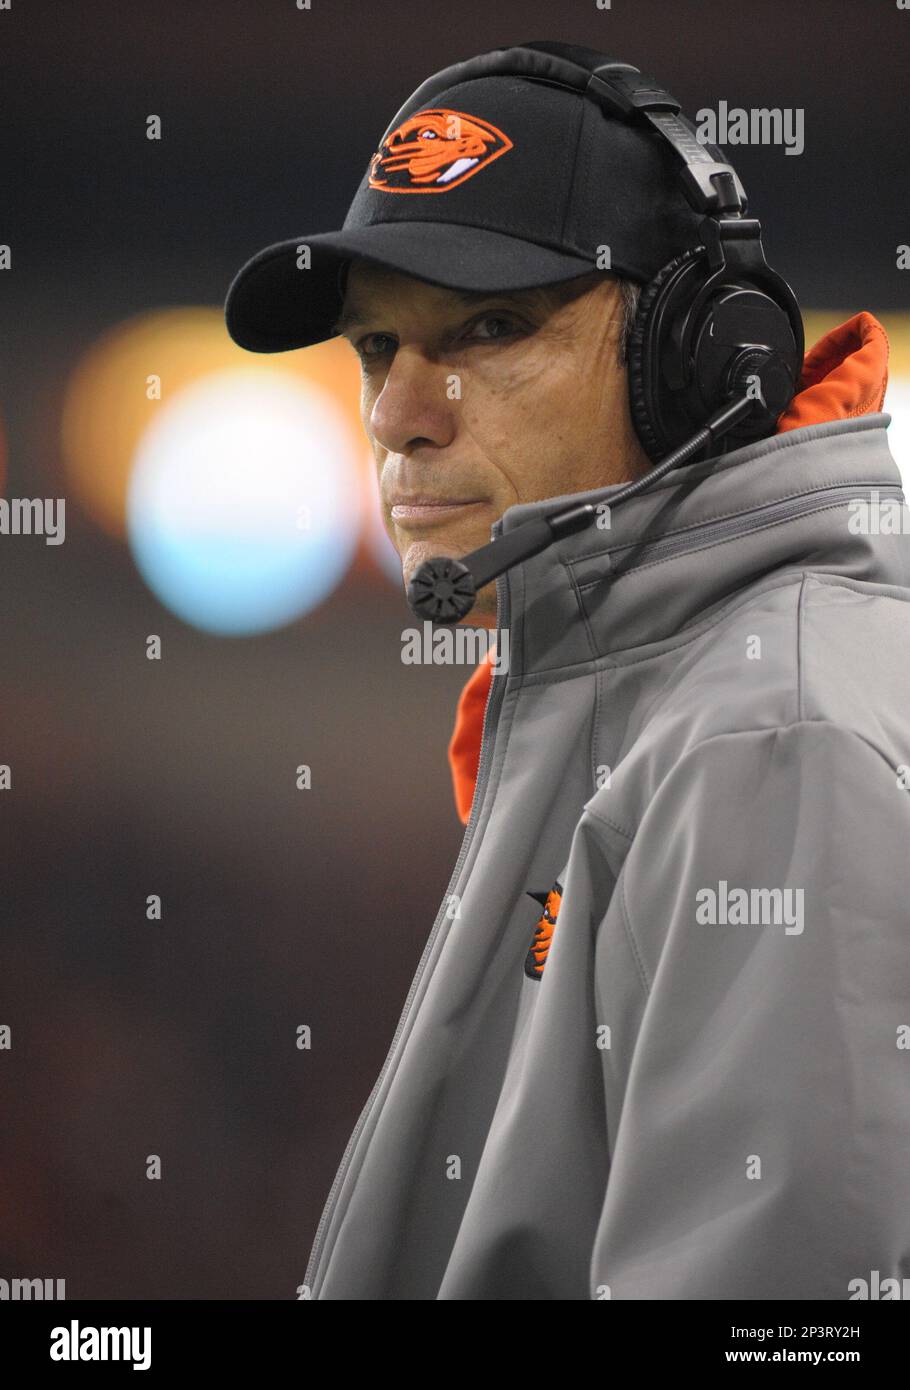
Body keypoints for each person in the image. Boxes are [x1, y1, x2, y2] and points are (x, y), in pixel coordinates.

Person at [225, 41, 910, 1300]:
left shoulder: (765, 740)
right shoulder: (649, 700)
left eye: (489, 327)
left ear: (703, 363)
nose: (396, 416)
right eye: (378, 349)